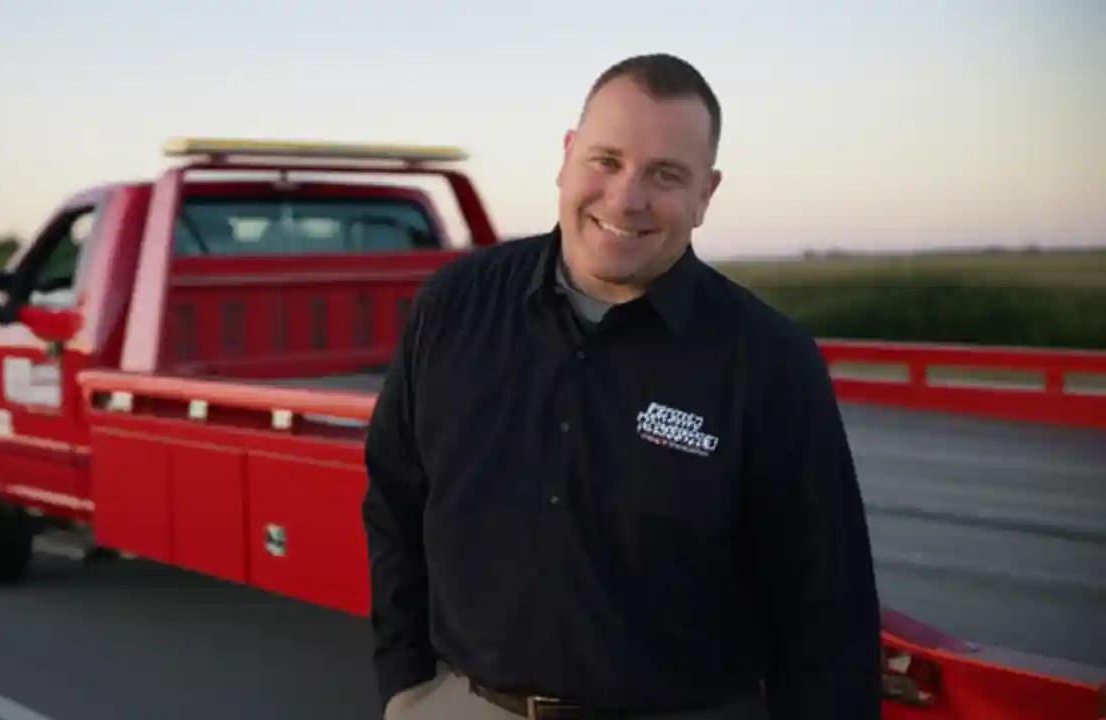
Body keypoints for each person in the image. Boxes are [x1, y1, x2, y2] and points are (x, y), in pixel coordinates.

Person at [361, 53, 883, 720]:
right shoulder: (454, 306)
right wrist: (405, 687)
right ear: (568, 156)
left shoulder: (769, 362)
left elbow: (825, 606)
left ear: (706, 194)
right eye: (606, 161)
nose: (626, 197)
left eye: (665, 174)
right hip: (467, 705)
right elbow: (395, 502)